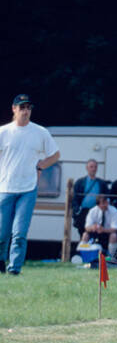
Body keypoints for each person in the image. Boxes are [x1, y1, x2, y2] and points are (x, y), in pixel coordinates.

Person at [0, 95, 60, 276]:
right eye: (22, 107)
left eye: (28, 108)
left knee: (19, 234)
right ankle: (1, 263)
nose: (25, 111)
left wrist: (41, 165)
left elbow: (55, 155)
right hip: (5, 188)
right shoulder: (4, 132)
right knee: (2, 234)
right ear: (14, 109)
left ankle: (14, 269)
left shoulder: (40, 132)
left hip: (27, 189)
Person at [73, 159, 103, 238]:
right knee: (83, 234)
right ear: (87, 168)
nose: (93, 169)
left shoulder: (101, 183)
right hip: (83, 212)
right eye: (91, 167)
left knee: (96, 233)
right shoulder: (80, 182)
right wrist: (77, 210)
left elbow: (106, 197)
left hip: (96, 212)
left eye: (95, 167)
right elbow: (74, 198)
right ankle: (83, 250)